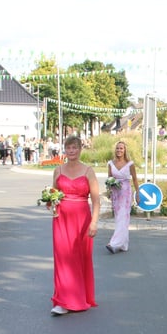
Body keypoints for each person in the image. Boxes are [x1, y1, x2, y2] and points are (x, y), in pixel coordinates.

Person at [49, 135, 99, 316]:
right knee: (62, 257)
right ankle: (62, 300)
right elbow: (52, 194)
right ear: (65, 149)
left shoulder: (88, 171)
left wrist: (94, 222)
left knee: (79, 258)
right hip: (61, 218)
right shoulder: (58, 170)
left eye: (74, 148)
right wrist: (51, 204)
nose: (71, 151)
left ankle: (79, 297)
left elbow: (96, 201)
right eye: (68, 148)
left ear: (80, 150)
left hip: (82, 219)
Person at [105, 140, 139, 254]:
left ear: (125, 151)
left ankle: (114, 243)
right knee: (119, 218)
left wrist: (137, 194)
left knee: (123, 217)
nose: (119, 150)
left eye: (121, 148)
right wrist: (109, 191)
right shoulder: (110, 163)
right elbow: (109, 178)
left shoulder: (130, 164)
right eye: (117, 148)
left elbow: (134, 179)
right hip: (115, 193)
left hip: (125, 193)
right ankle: (123, 244)